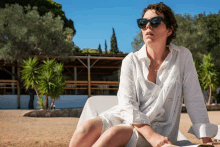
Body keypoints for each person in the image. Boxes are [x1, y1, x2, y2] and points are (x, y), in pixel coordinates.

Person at [69, 2, 218, 147]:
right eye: (143, 22)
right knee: (85, 129)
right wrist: (151, 136)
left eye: (155, 21)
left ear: (169, 30)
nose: (148, 26)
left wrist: (207, 141)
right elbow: (127, 105)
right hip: (127, 117)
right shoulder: (131, 60)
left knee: (113, 135)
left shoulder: (183, 57)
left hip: (159, 128)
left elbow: (195, 100)